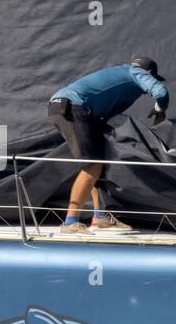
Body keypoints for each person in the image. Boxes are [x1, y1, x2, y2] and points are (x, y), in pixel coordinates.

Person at [48, 57, 169, 234]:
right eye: (151, 78)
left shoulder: (124, 81)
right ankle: (70, 223)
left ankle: (100, 217)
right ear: (148, 74)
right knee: (92, 166)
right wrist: (160, 110)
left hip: (73, 109)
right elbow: (161, 92)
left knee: (99, 164)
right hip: (73, 107)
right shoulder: (135, 72)